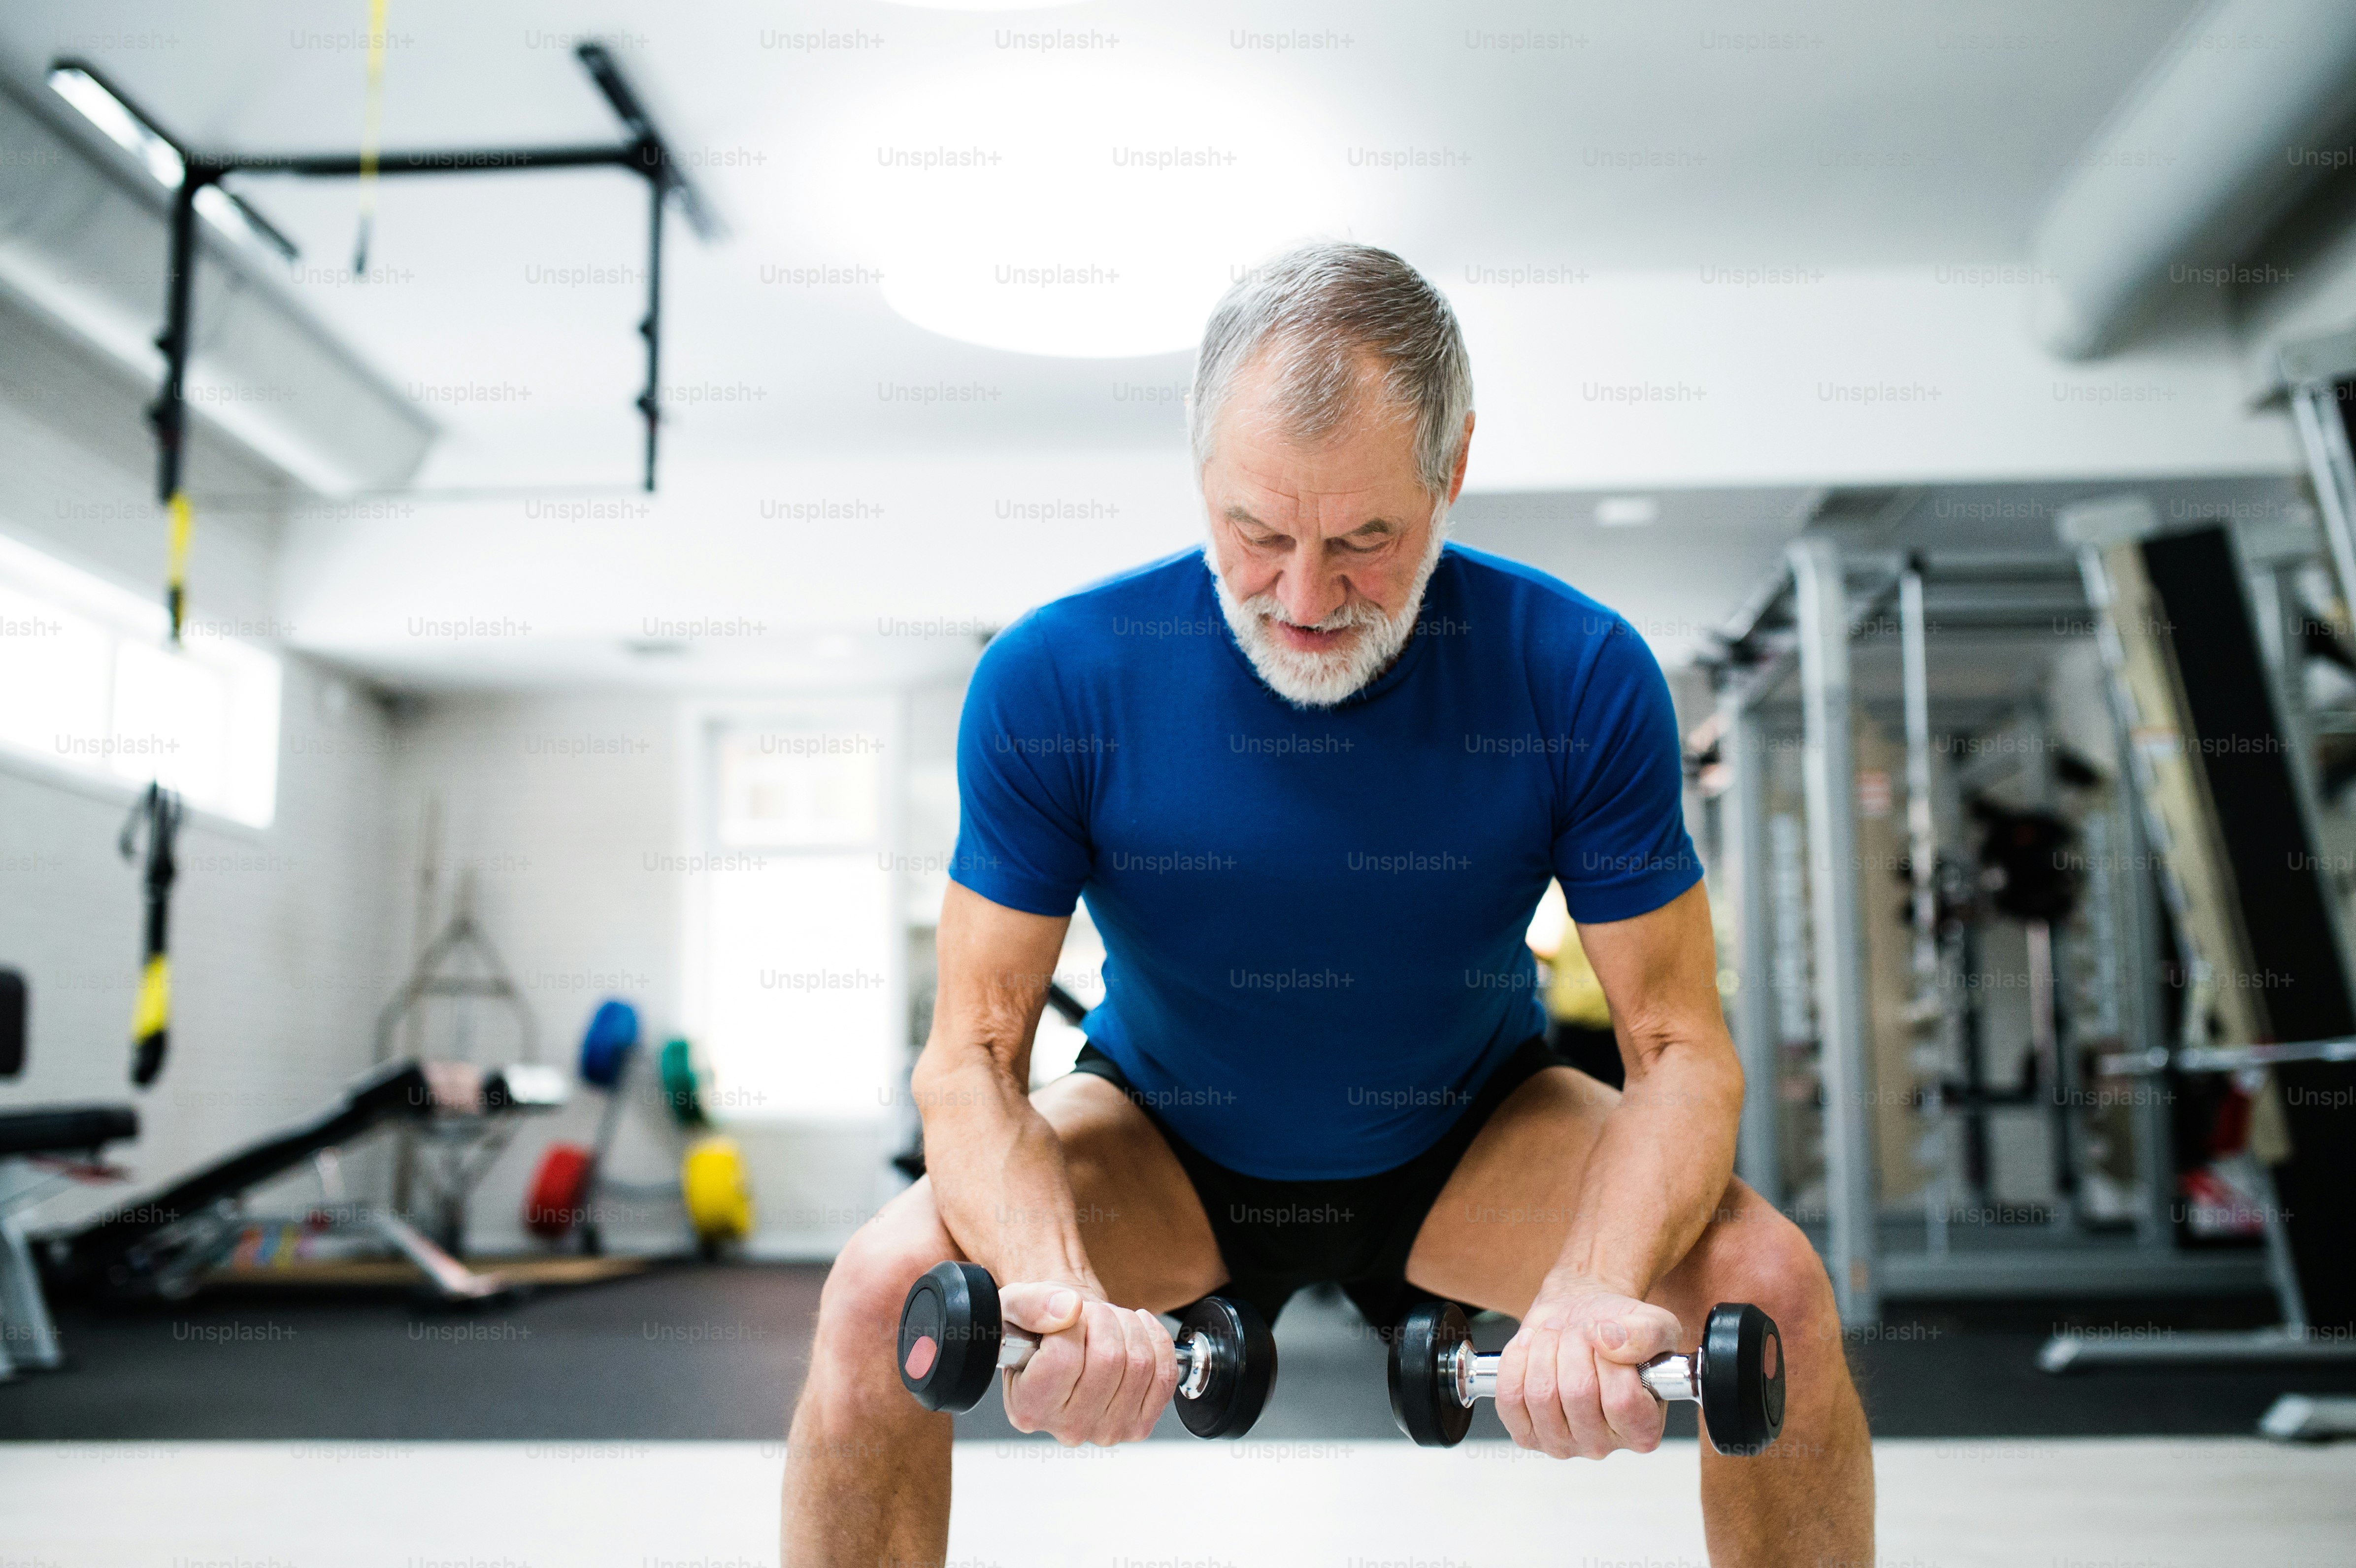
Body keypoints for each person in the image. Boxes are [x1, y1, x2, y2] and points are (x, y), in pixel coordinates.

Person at [783, 241, 1871, 1566]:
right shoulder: (1056, 678)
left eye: (1365, 540)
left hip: (1475, 1136)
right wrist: (1055, 1293)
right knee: (874, 1302)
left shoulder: (1576, 673)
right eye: (1257, 534)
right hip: (1163, 1136)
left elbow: (1682, 1050)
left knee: (1773, 1292)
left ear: (1451, 469)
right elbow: (971, 1055)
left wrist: (1593, 1287)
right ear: (1201, 475)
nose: (1305, 598)